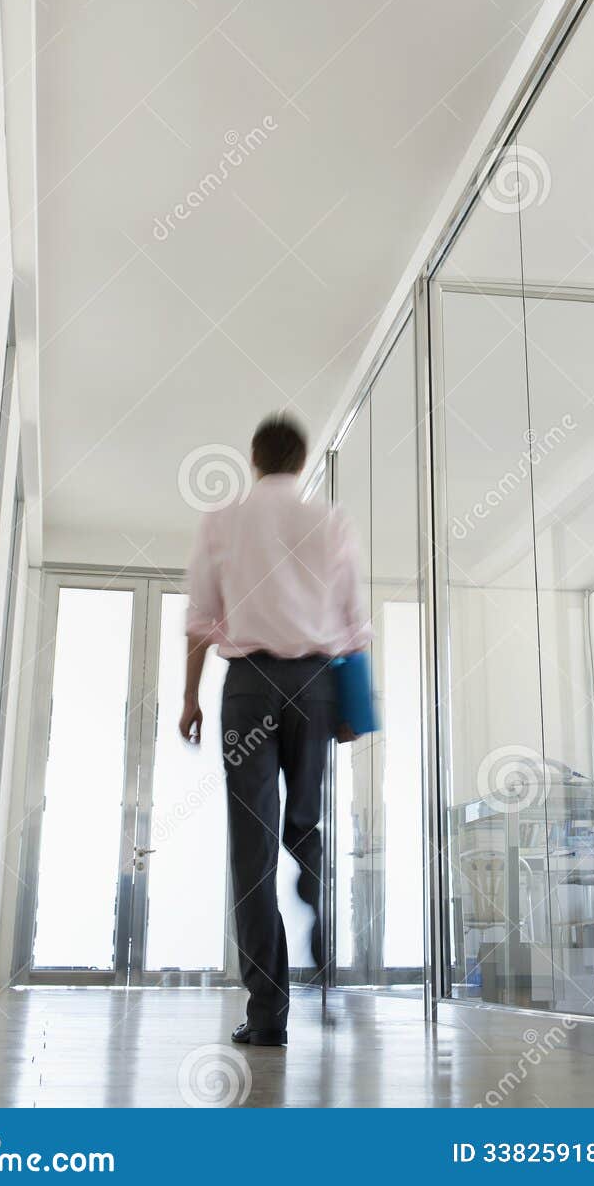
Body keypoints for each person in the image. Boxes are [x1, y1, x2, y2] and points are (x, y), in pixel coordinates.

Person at [179, 414, 370, 1047]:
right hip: (316, 688)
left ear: (255, 459)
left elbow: (202, 621)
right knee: (306, 824)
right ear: (303, 459)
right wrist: (351, 708)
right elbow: (354, 625)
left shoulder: (222, 522)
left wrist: (189, 700)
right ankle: (317, 903)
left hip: (250, 688)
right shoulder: (331, 522)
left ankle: (267, 1017)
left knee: (251, 847)